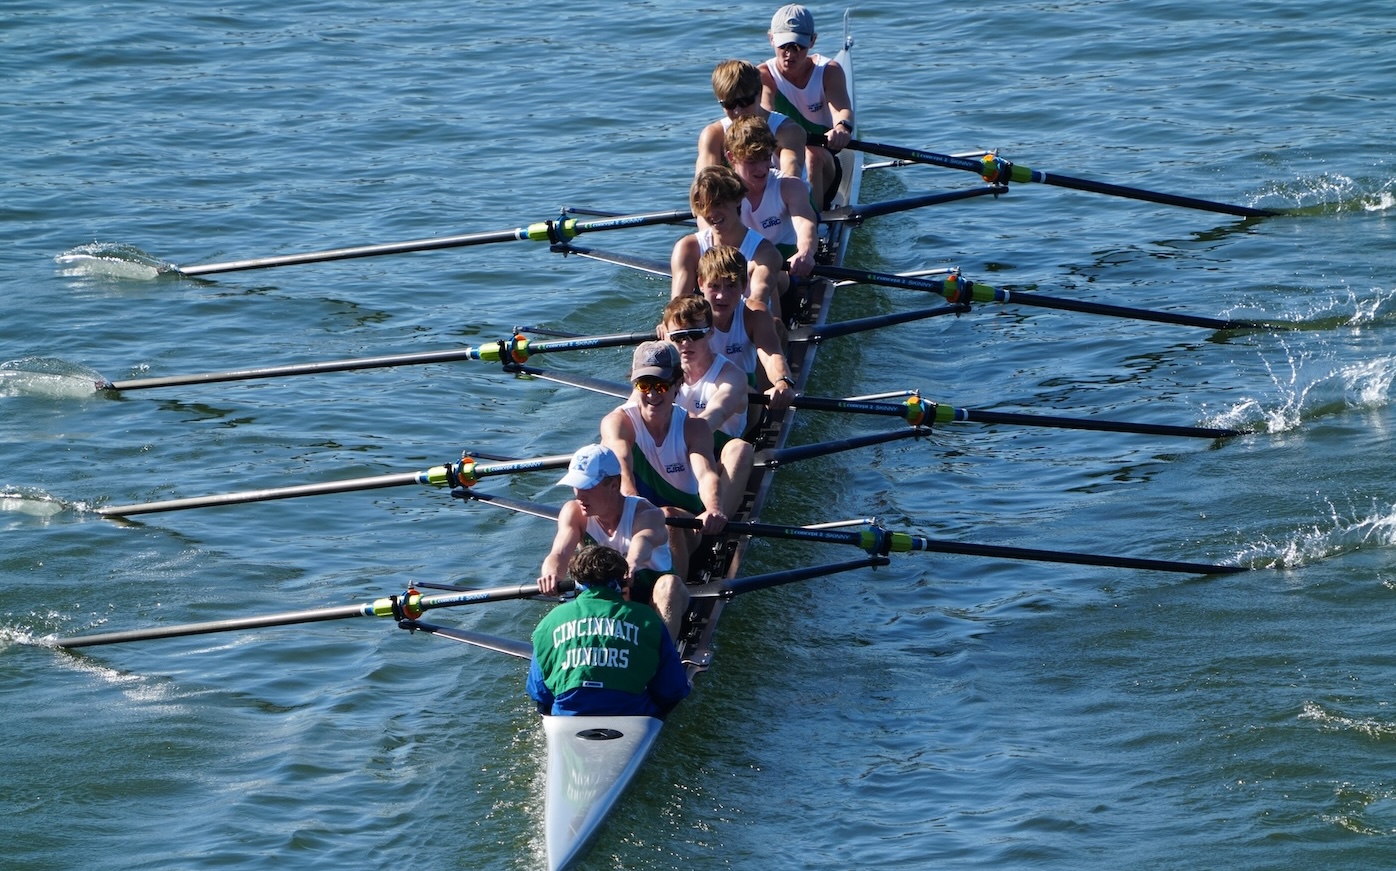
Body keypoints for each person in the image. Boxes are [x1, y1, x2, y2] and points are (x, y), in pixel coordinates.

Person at [600, 340, 729, 581]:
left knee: (666, 516)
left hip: (684, 525)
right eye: (644, 384)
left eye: (660, 386)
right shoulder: (618, 424)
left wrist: (713, 507)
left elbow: (706, 474)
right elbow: (623, 476)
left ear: (677, 384)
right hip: (634, 521)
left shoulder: (694, 428)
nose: (651, 394)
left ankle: (677, 590)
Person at [538, 443, 689, 640]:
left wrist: (632, 563)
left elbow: (643, 539)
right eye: (576, 485)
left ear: (614, 485)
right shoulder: (574, 512)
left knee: (669, 584)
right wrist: (551, 574)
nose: (579, 495)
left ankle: (661, 657)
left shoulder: (646, 513)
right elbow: (559, 553)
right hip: (611, 602)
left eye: (587, 487)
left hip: (655, 600)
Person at [527, 544, 691, 718]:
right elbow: (673, 689)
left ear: (576, 580)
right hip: (633, 714)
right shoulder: (648, 619)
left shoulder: (550, 622)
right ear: (621, 581)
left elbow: (538, 692)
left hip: (568, 716)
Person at [661, 295, 753, 511]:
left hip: (715, 462)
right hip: (675, 462)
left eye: (694, 335)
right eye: (677, 337)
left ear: (711, 332)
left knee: (740, 450)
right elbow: (631, 413)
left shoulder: (731, 376)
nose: (685, 343)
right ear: (666, 336)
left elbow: (714, 416)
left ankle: (716, 523)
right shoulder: (658, 377)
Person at [759, 4, 854, 210]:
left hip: (823, 164)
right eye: (784, 46)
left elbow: (842, 110)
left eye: (798, 46)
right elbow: (763, 112)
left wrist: (842, 128)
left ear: (812, 40)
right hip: (779, 167)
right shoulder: (763, 76)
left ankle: (815, 223)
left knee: (810, 154)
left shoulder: (829, 71)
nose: (790, 54)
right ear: (771, 39)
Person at [671, 165, 788, 320]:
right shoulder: (687, 249)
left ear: (738, 199)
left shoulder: (764, 253)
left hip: (754, 327)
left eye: (718, 203)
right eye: (704, 206)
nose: (711, 213)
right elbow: (678, 308)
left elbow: (758, 299)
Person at [697, 245, 796, 414]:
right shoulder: (687, 317)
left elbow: (771, 355)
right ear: (701, 284)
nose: (722, 296)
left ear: (744, 286)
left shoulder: (754, 314)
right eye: (714, 286)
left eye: (730, 286)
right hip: (699, 394)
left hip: (745, 398)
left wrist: (782, 381)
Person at [725, 115, 819, 283]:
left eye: (766, 158)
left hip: (786, 270)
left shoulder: (789, 187)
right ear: (732, 158)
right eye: (752, 161)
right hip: (738, 274)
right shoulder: (723, 193)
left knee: (766, 273)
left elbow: (805, 223)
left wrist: (805, 251)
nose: (762, 169)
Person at [696, 59, 807, 181]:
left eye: (745, 102)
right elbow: (704, 186)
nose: (738, 111)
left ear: (760, 93)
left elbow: (791, 177)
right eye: (729, 104)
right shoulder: (714, 136)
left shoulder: (787, 132)